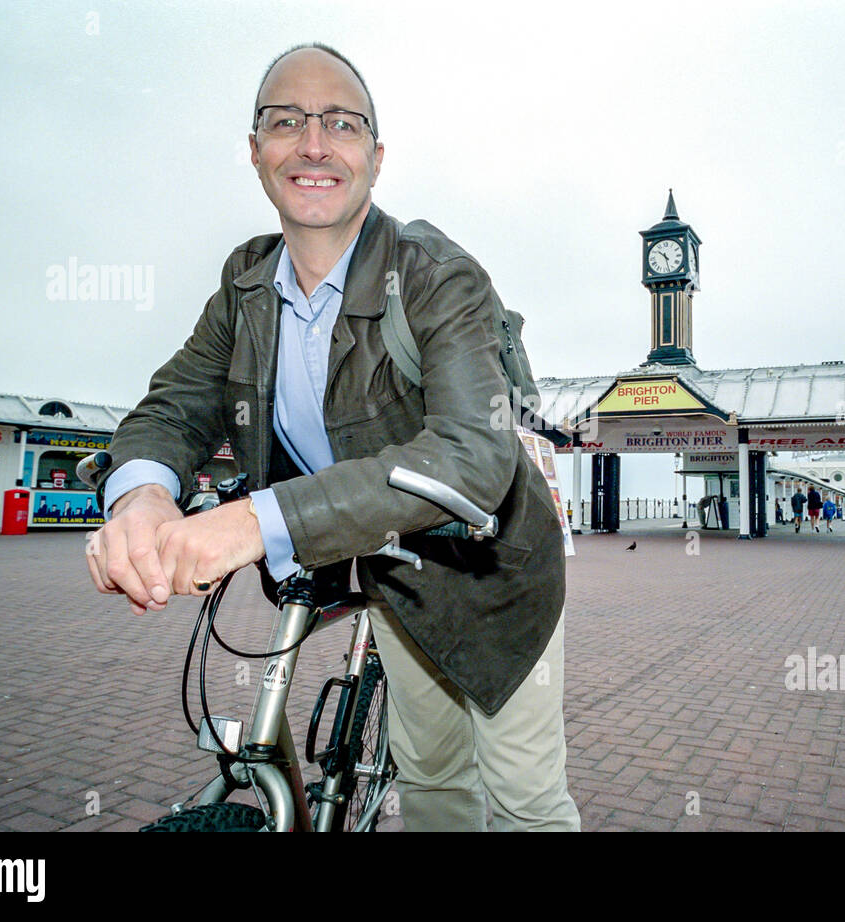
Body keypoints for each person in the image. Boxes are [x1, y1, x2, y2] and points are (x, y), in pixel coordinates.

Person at [83, 44, 578, 831]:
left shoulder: (434, 273)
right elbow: (177, 404)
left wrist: (253, 522)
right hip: (396, 574)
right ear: (256, 153)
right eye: (287, 121)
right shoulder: (245, 287)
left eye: (341, 124)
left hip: (495, 576)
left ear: (375, 158)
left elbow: (472, 455)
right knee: (435, 784)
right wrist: (142, 494)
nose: (314, 144)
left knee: (522, 795)